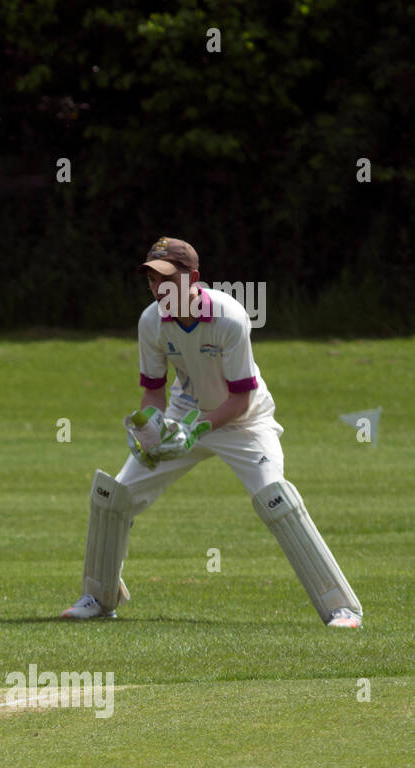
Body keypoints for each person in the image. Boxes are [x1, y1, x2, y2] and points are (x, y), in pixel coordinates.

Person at [61, 237, 362, 628]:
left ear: (194, 279)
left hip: (244, 423)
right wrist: (150, 430)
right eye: (153, 280)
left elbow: (241, 398)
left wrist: (196, 429)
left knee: (276, 499)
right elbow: (152, 391)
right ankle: (98, 598)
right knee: (114, 496)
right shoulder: (151, 320)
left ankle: (342, 608)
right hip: (184, 417)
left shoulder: (229, 317)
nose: (159, 289)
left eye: (168, 279)